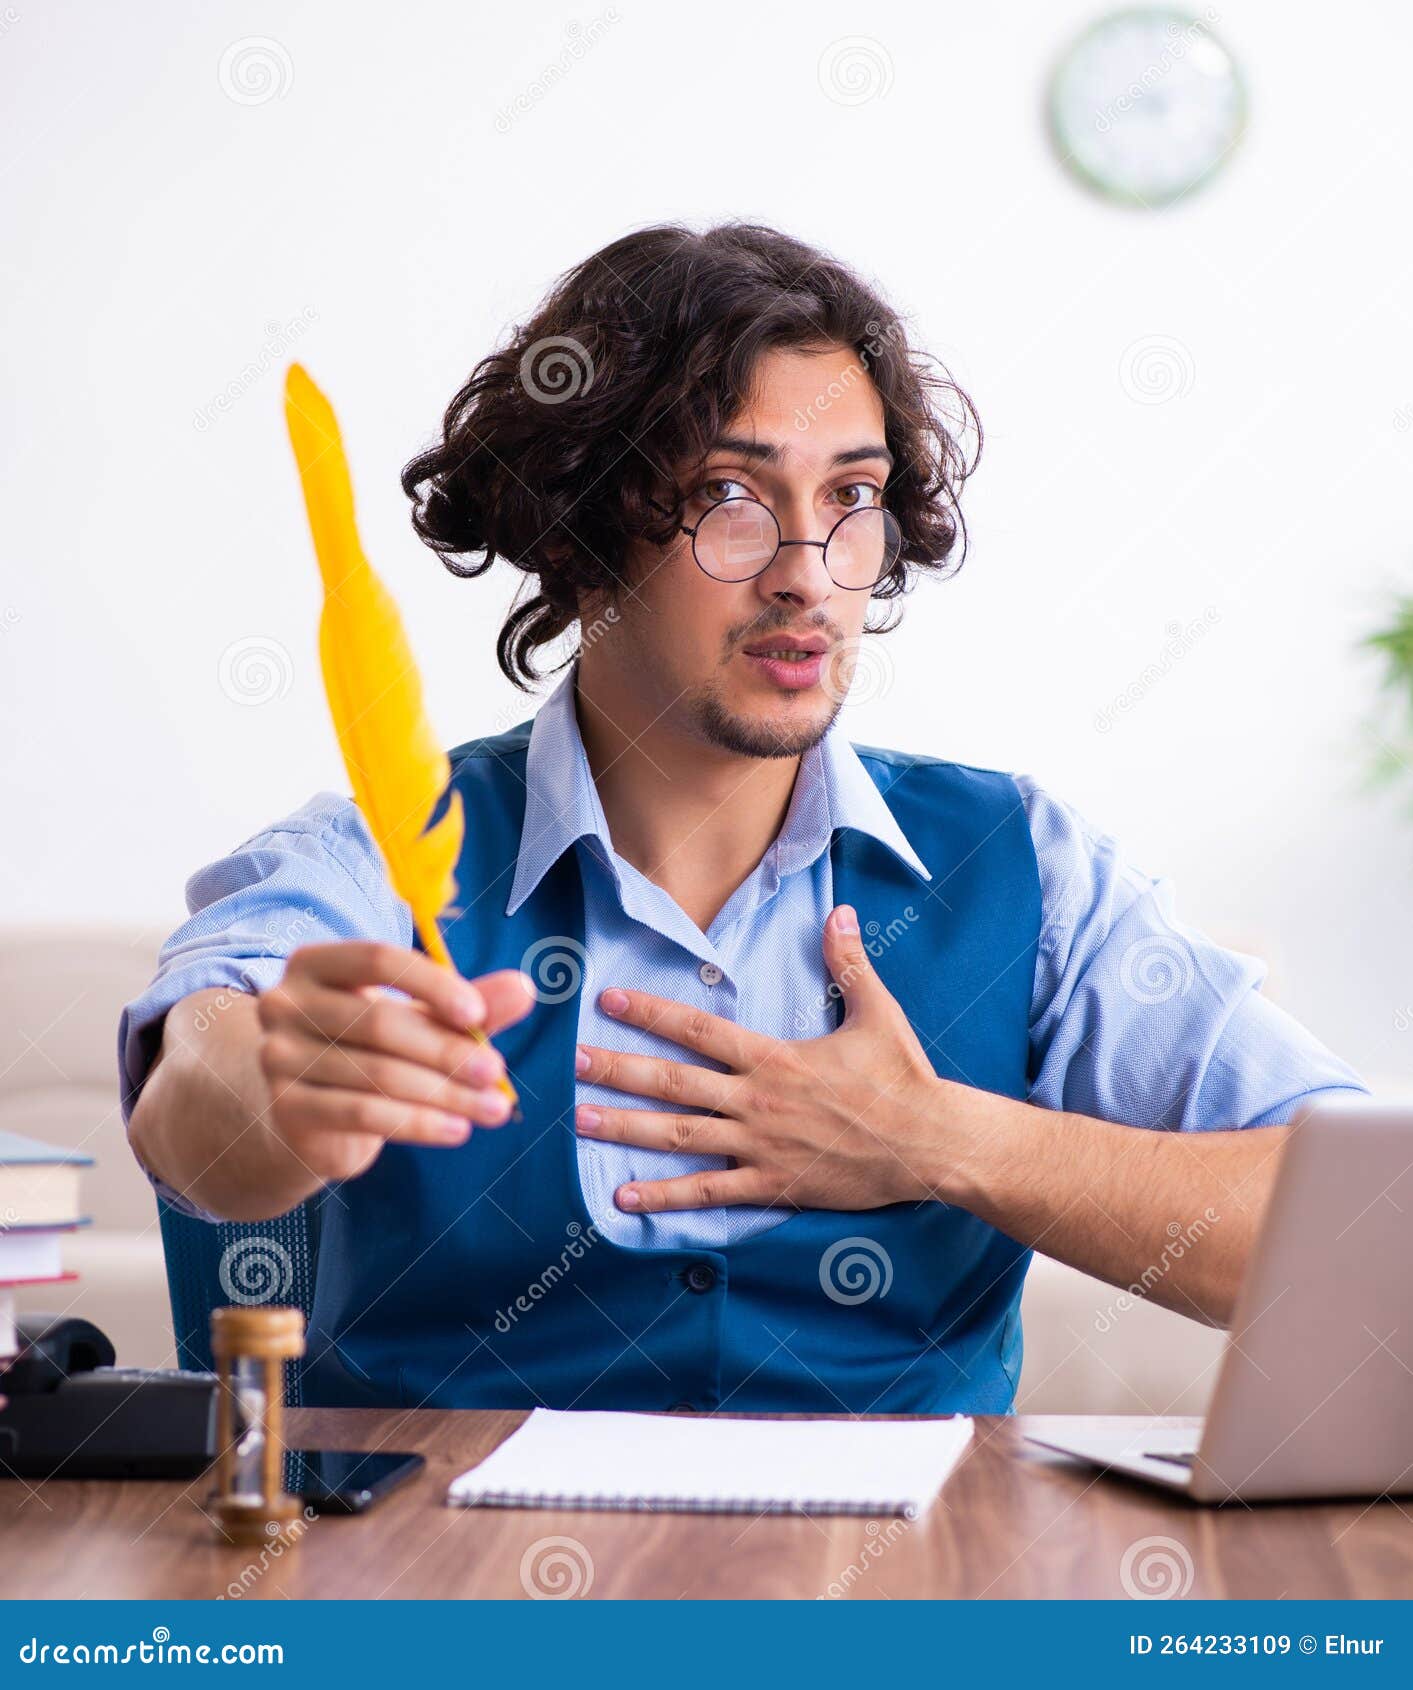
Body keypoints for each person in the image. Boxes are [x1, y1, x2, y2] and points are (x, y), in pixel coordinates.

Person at [121, 223, 1366, 1413]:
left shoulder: (1021, 867)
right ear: (585, 523)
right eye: (731, 494)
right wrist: (281, 1080)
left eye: (852, 497)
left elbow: (1364, 1232)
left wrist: (947, 1141)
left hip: (906, 1611)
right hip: (444, 1601)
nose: (807, 570)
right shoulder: (375, 859)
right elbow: (198, 1098)